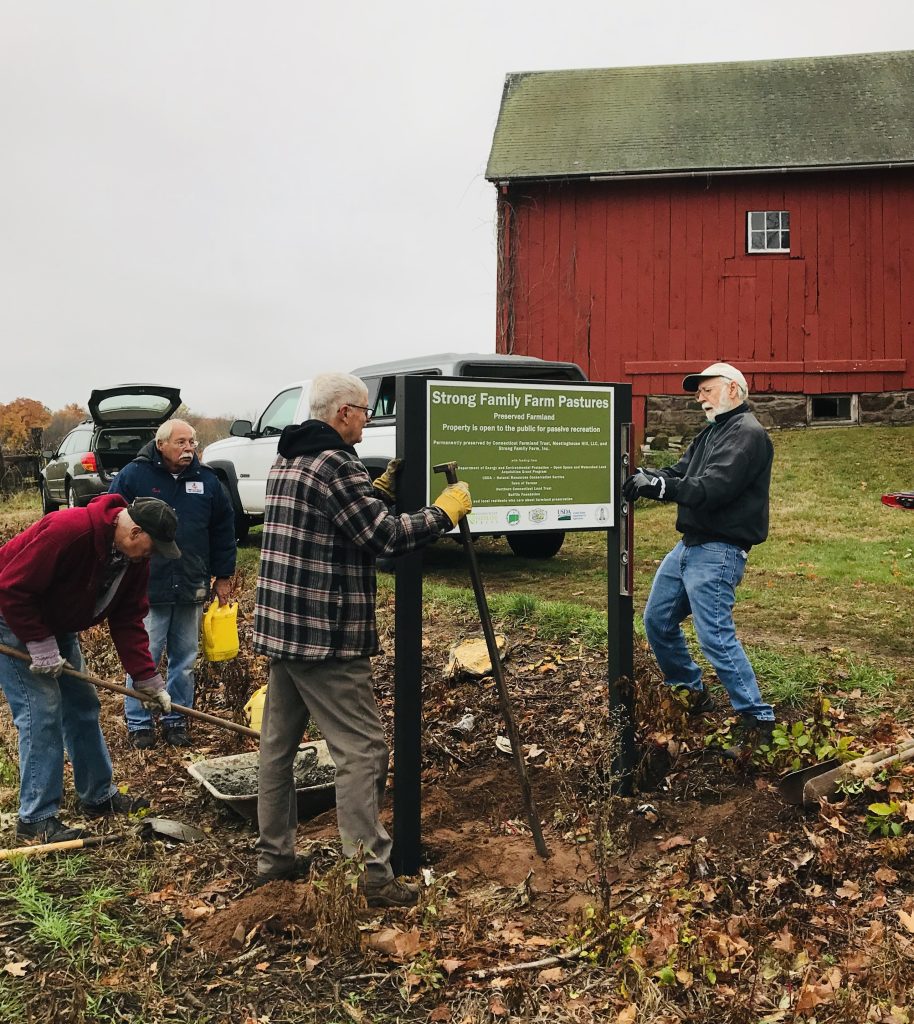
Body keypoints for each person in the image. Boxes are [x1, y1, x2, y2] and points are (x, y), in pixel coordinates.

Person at [252, 372, 472, 905]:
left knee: (277, 748)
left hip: (283, 629)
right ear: (342, 412)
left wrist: (372, 493)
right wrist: (444, 513)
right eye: (365, 410)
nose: (368, 418)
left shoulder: (289, 457)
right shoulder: (334, 466)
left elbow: (332, 521)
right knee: (363, 752)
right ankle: (371, 876)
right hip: (326, 637)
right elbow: (384, 536)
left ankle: (274, 858)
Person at [0, 495, 176, 843]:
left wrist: (147, 679)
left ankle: (98, 795)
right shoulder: (70, 531)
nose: (151, 555)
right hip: (11, 617)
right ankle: (36, 818)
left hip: (58, 621)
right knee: (42, 711)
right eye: (152, 547)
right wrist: (38, 643)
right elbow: (11, 587)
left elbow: (127, 619)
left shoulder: (133, 559)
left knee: (83, 704)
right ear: (135, 531)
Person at [623, 361, 775, 752]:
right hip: (689, 546)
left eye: (707, 389)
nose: (699, 396)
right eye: (699, 390)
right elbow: (678, 472)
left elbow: (714, 487)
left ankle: (757, 720)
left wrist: (659, 487)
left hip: (720, 549)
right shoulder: (712, 433)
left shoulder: (747, 434)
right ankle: (691, 693)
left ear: (733, 391)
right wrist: (644, 475)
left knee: (714, 636)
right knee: (657, 620)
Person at [109, 419, 237, 749]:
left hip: (191, 581)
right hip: (146, 584)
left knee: (185, 659)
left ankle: (176, 718)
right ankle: (139, 722)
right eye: (180, 442)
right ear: (161, 444)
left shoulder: (207, 481)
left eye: (192, 442)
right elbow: (112, 519)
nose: (188, 448)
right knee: (145, 655)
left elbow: (224, 529)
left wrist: (223, 575)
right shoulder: (135, 475)